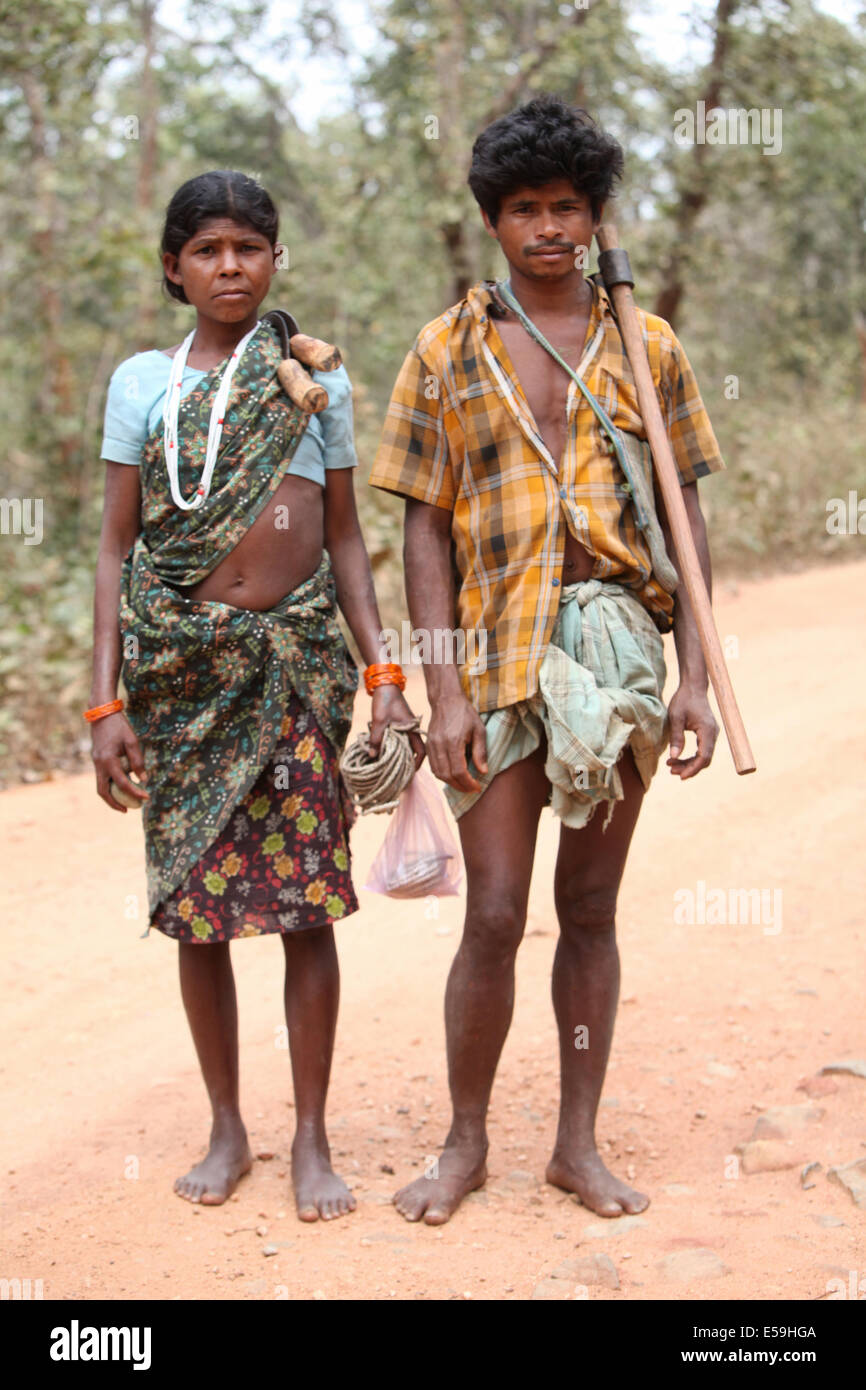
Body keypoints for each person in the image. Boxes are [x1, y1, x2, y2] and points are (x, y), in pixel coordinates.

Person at [368, 95, 726, 1224]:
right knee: (491, 911)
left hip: (615, 647)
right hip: (490, 650)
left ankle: (575, 1143)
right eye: (524, 209)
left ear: (593, 213)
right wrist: (440, 685)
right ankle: (464, 1142)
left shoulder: (644, 342)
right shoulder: (447, 346)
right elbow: (421, 523)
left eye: (566, 207)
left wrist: (698, 680)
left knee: (590, 909)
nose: (547, 229)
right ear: (493, 221)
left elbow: (686, 516)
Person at [89, 170, 424, 1219]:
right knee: (195, 909)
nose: (229, 265)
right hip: (180, 676)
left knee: (303, 908)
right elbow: (112, 551)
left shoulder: (310, 381)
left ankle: (311, 1137)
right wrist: (104, 705)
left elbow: (346, 542)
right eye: (207, 250)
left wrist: (386, 679)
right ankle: (227, 1126)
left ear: (276, 259)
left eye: (249, 247)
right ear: (173, 268)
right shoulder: (141, 382)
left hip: (294, 669)